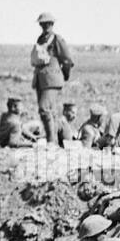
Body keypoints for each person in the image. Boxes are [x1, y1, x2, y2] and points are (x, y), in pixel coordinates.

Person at [31, 12, 73, 145]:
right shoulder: (40, 39)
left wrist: (65, 74)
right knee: (51, 111)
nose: (45, 26)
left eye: (47, 24)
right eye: (42, 24)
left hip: (52, 78)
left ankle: (51, 141)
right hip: (41, 79)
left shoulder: (57, 40)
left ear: (52, 24)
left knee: (45, 109)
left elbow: (67, 59)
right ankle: (54, 139)